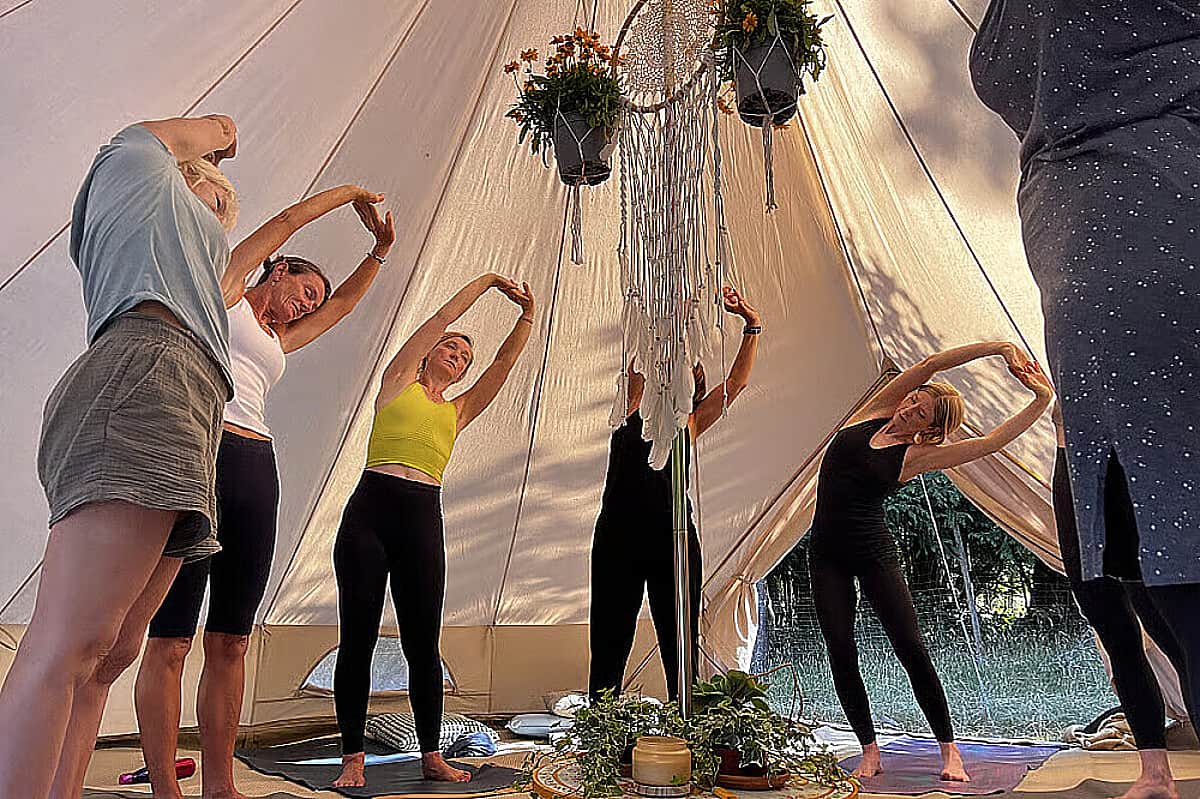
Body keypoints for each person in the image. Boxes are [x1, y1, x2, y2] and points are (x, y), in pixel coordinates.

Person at [972, 7, 1200, 797]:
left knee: (1167, 611)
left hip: (1117, 460)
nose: (910, 413)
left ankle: (1159, 766)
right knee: (1125, 614)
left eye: (922, 412)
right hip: (1090, 489)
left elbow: (1012, 416)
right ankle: (1154, 770)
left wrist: (999, 365)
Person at [123, 187, 395, 799]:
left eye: (312, 302)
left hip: (254, 467)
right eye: (304, 290)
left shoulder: (278, 340)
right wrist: (348, 195)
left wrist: (378, 252)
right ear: (279, 270)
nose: (307, 305)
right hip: (201, 451)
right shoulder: (227, 293)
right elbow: (286, 220)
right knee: (171, 638)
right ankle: (165, 788)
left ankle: (220, 785)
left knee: (232, 638)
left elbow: (343, 307)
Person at [0, 115, 239, 799]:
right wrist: (221, 130)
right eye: (211, 200)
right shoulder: (136, 176)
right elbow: (140, 138)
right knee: (68, 644)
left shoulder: (185, 267)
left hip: (189, 400)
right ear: (180, 176)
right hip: (147, 377)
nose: (219, 220)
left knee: (109, 657)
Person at [807, 342, 1051, 782]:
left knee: (910, 646)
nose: (908, 410)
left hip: (873, 552)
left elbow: (990, 443)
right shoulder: (876, 410)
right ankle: (869, 750)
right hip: (826, 554)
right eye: (912, 400)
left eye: (919, 414)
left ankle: (950, 751)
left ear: (929, 430)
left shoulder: (915, 457)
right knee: (840, 649)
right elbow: (931, 363)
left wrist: (1041, 399)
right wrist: (999, 348)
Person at [332, 273, 535, 788]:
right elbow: (441, 318)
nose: (458, 357)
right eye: (451, 348)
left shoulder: (458, 410)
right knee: (357, 638)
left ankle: (431, 754)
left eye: (465, 358)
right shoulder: (399, 381)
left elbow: (503, 365)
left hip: (421, 519)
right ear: (428, 354)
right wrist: (486, 283)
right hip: (369, 514)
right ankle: (352, 757)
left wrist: (527, 317)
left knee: (423, 644)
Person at [589, 286, 761, 702]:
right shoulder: (633, 403)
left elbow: (736, 384)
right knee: (610, 637)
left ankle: (684, 721)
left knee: (679, 638)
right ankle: (602, 723)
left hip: (674, 538)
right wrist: (679, 319)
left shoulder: (692, 422)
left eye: (683, 374)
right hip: (618, 537)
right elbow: (643, 357)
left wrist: (752, 325)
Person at [1052, 401, 1190, 799]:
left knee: (1174, 635)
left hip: (1133, 472)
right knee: (1113, 628)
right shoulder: (1067, 373)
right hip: (1075, 479)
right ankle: (1155, 776)